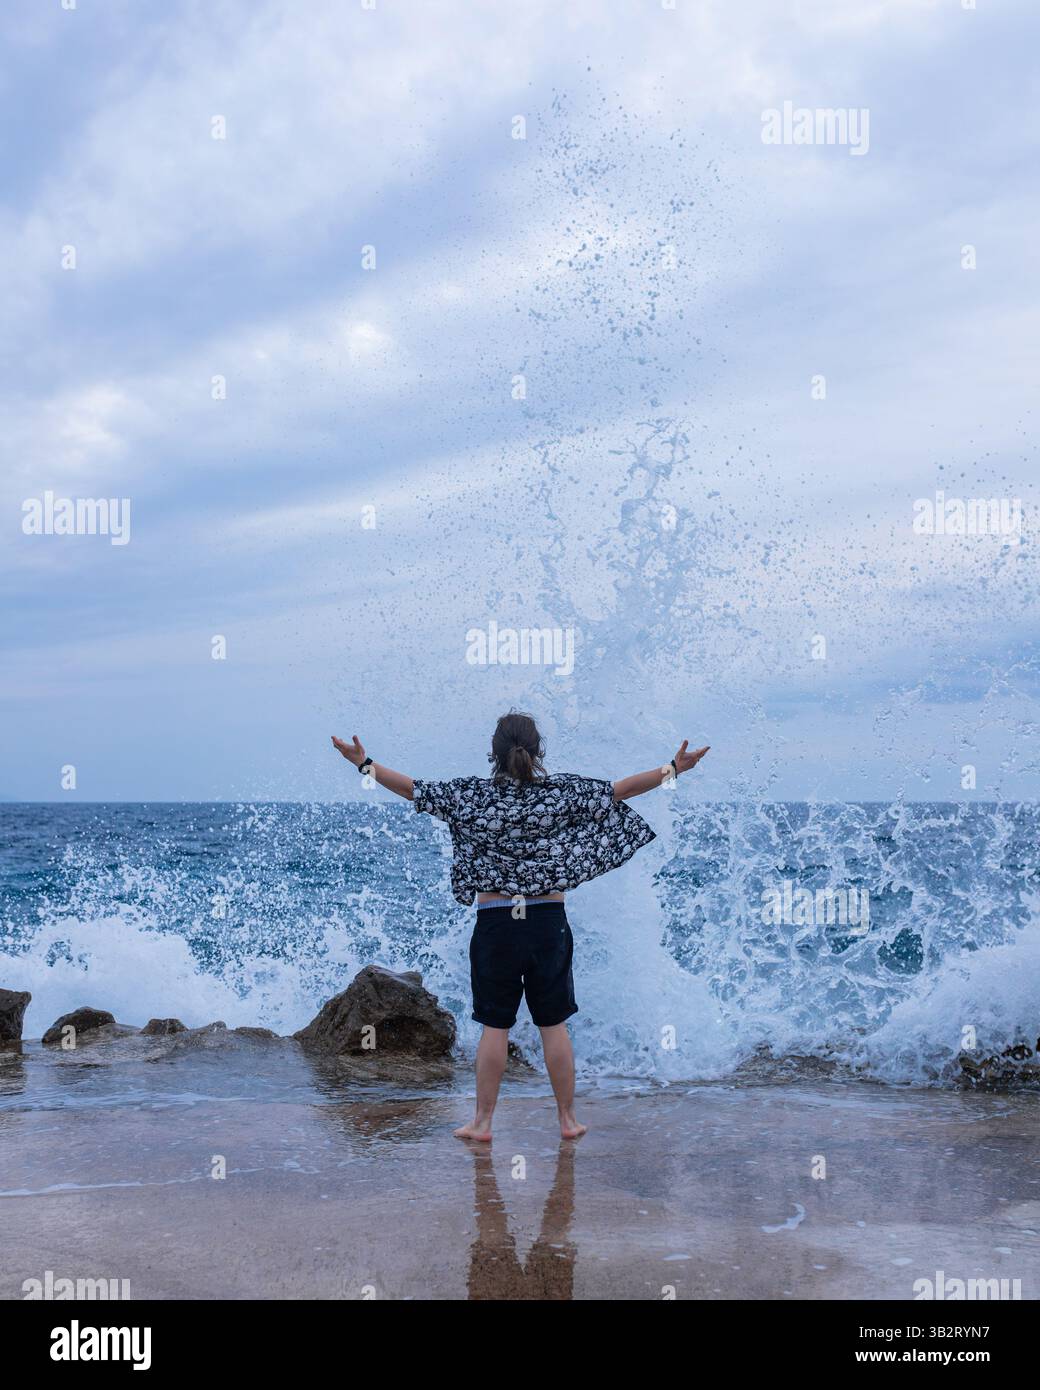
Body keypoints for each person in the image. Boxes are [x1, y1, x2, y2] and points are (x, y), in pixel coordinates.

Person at [332, 711, 709, 1141]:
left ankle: (482, 1123)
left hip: (496, 925)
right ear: (537, 750)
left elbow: (411, 789)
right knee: (553, 1025)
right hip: (548, 923)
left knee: (496, 1027)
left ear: (493, 752)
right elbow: (624, 789)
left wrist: (364, 764)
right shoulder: (562, 793)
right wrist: (675, 768)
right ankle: (568, 1121)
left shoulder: (471, 796)